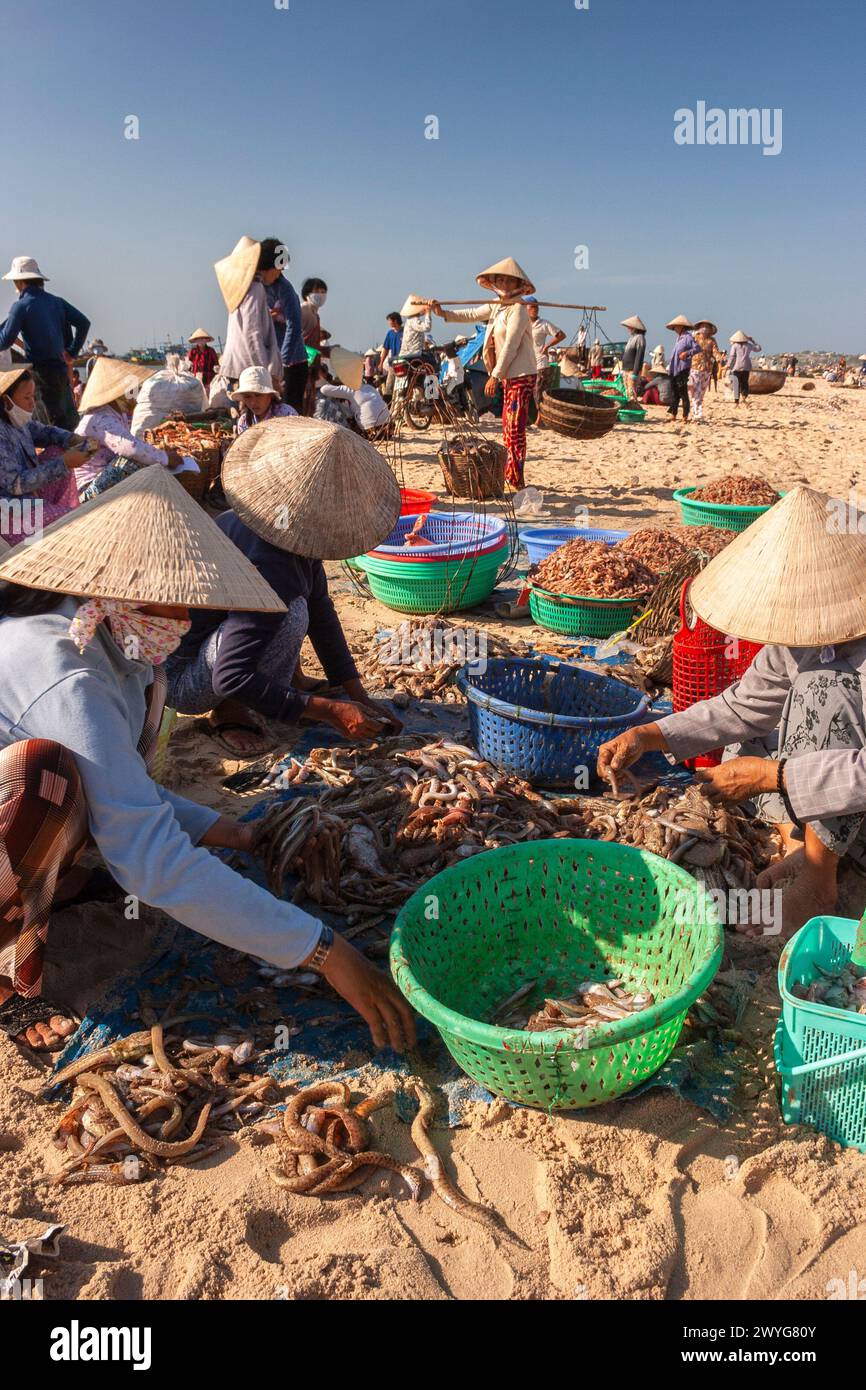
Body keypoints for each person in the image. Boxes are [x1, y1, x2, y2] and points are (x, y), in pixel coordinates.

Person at [0, 465, 413, 1053]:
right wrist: (326, 951)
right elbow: (152, 861)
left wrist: (235, 835)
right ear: (122, 588)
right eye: (176, 604)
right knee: (42, 777)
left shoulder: (112, 643)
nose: (187, 623)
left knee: (75, 785)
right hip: (15, 799)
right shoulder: (60, 670)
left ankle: (59, 885)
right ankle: (9, 982)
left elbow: (118, 783)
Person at [597, 484, 866, 942]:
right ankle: (811, 847)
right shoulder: (806, 632)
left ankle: (819, 884)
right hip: (843, 794)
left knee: (822, 691)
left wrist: (769, 776)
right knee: (747, 742)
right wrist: (648, 734)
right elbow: (743, 707)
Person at [166, 417, 402, 759]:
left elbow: (323, 612)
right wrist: (329, 711)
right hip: (183, 678)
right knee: (291, 614)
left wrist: (357, 695)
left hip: (214, 643)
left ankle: (288, 684)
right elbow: (230, 676)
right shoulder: (272, 560)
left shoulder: (283, 527)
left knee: (301, 606)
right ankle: (229, 711)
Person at [431, 257, 538, 489]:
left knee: (515, 428)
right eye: (498, 279)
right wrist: (443, 313)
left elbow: (511, 346)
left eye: (506, 279)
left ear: (516, 283)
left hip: (521, 374)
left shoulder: (518, 310)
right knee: (508, 427)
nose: (501, 282)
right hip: (509, 374)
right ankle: (510, 474)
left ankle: (516, 478)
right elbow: (470, 314)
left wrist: (495, 376)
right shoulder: (497, 306)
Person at [0, 364, 94, 545]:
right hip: (11, 513)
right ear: (6, 401)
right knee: (75, 520)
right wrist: (64, 463)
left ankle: (52, 509)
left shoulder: (18, 422)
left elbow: (46, 433)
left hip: (29, 499)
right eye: (27, 398)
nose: (32, 403)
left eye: (33, 397)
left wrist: (72, 439)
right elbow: (16, 484)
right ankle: (50, 517)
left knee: (57, 450)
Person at [73, 357, 188, 499]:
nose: (135, 395)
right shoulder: (99, 418)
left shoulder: (116, 414)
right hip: (88, 487)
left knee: (143, 456)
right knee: (131, 460)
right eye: (131, 391)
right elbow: (130, 448)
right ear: (117, 393)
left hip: (102, 476)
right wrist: (165, 458)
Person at [0, 256, 90, 430]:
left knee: (47, 426)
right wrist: (71, 352)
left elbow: (5, 341)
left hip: (40, 374)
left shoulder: (21, 306)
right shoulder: (57, 302)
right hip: (61, 370)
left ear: (19, 282)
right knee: (69, 423)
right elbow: (83, 323)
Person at [214, 237, 282, 391]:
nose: (279, 274)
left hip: (238, 366)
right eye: (279, 268)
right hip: (249, 369)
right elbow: (252, 334)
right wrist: (264, 375)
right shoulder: (255, 289)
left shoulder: (241, 289)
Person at [259, 239, 308, 414]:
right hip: (270, 362)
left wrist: (283, 361)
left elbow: (294, 326)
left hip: (292, 363)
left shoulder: (285, 289)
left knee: (289, 412)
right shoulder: (258, 287)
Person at [526, 298, 565, 419]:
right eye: (532, 307)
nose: (535, 310)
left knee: (539, 391)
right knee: (528, 392)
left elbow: (561, 335)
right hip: (527, 363)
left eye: (536, 307)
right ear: (526, 309)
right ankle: (530, 418)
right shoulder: (523, 323)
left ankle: (540, 419)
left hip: (540, 361)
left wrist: (547, 345)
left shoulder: (543, 324)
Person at [231, 365, 298, 434]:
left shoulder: (288, 415)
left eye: (258, 395)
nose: (253, 402)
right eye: (247, 397)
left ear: (270, 395)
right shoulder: (244, 422)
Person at [319, 375, 390, 436]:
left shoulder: (349, 389)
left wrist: (331, 383)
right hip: (388, 429)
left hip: (371, 432)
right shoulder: (370, 387)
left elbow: (323, 389)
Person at [688, 319, 721, 423]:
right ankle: (697, 413)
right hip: (695, 368)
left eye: (707, 327)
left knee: (701, 392)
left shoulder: (712, 340)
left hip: (707, 369)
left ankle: (696, 411)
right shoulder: (694, 338)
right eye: (703, 326)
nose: (705, 328)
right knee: (696, 391)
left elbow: (715, 352)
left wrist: (719, 357)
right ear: (699, 328)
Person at [666, 315, 698, 421]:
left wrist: (686, 353)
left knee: (682, 391)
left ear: (681, 326)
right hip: (674, 368)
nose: (675, 329)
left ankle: (685, 415)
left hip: (682, 369)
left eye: (676, 327)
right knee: (675, 391)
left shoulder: (688, 337)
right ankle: (673, 414)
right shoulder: (679, 338)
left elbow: (697, 348)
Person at [727, 330, 761, 406]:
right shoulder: (749, 345)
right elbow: (758, 349)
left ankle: (736, 402)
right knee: (744, 383)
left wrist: (728, 365)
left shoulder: (734, 345)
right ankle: (744, 398)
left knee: (736, 384)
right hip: (746, 366)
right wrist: (753, 341)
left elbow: (732, 356)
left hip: (737, 366)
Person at [619, 316, 647, 401]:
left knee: (632, 392)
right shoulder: (631, 338)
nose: (628, 328)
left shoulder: (640, 338)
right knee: (627, 391)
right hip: (626, 369)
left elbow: (639, 355)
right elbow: (627, 353)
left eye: (629, 327)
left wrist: (635, 372)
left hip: (632, 370)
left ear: (634, 328)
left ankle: (633, 406)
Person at [379, 312, 404, 398]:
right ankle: (388, 407)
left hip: (403, 362)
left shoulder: (404, 332)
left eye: (389, 321)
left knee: (401, 387)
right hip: (393, 363)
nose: (388, 323)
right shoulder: (390, 333)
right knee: (389, 386)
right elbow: (385, 349)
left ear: (395, 321)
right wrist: (381, 363)